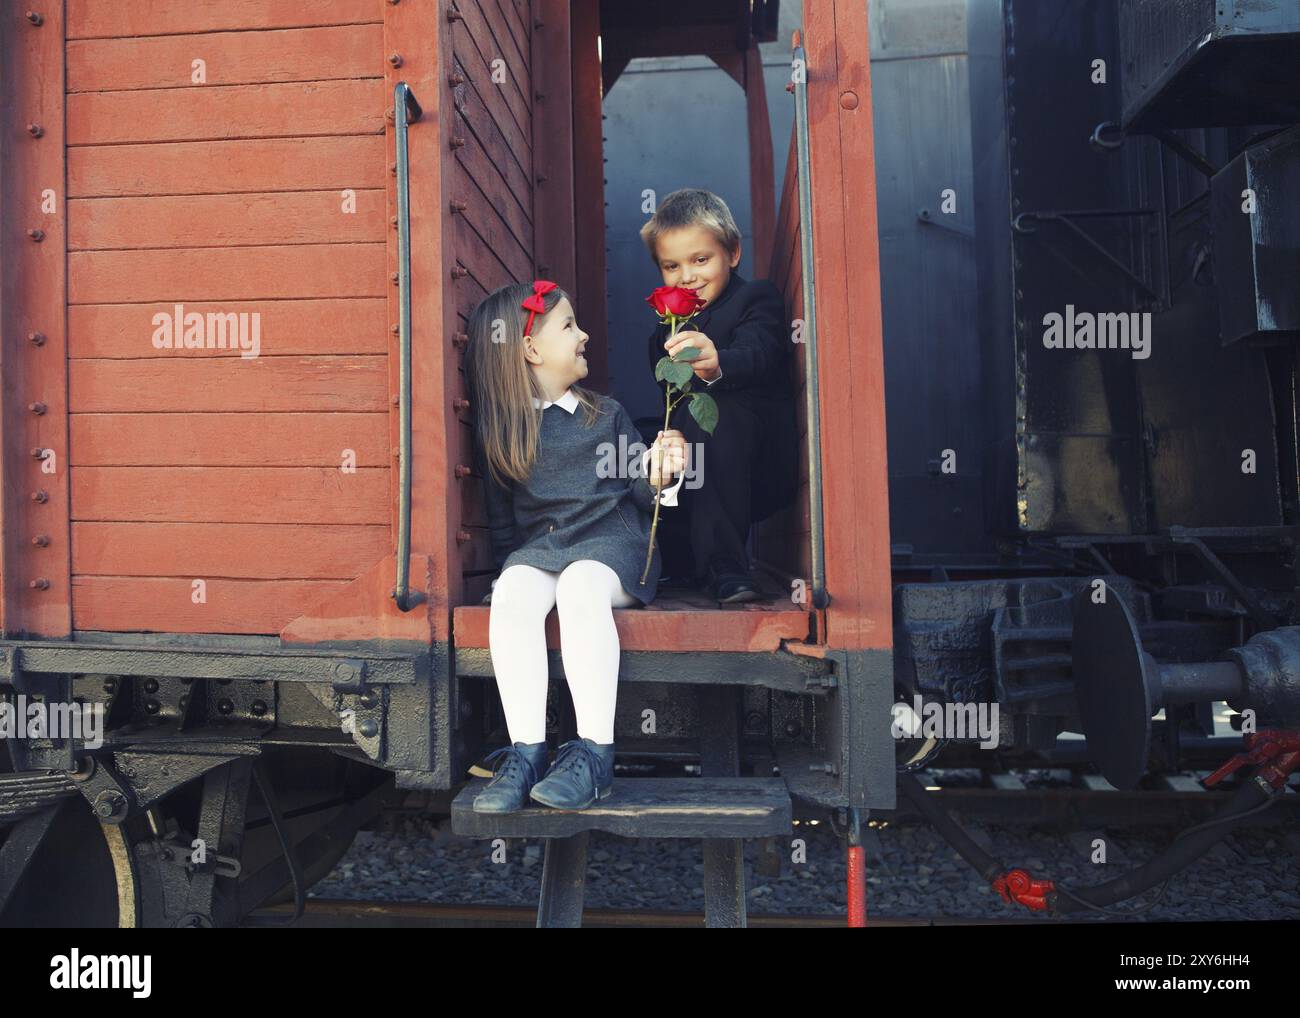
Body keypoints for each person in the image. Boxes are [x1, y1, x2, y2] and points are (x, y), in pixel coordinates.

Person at [466, 280, 686, 812]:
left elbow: (640, 488)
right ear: (530, 349)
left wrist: (661, 471)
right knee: (516, 590)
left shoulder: (604, 415)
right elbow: (503, 526)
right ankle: (527, 753)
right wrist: (503, 574)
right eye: (569, 325)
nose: (584, 334)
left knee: (581, 585)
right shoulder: (503, 432)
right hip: (545, 548)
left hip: (613, 546)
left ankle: (594, 755)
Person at [642, 188, 800, 603]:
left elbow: (760, 353)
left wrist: (717, 364)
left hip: (756, 464)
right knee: (642, 436)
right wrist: (668, 437)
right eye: (671, 266)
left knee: (720, 410)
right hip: (702, 468)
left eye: (701, 260)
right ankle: (666, 559)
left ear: (732, 253)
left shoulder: (755, 298)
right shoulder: (664, 334)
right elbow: (671, 404)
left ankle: (726, 566)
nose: (687, 276)